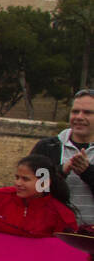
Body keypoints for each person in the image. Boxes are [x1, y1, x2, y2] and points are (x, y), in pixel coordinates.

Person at [0, 154, 77, 237]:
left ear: (44, 183)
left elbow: (65, 252)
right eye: (17, 177)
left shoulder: (60, 214)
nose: (18, 183)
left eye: (25, 179)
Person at [30, 89, 94, 227]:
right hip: (52, 233)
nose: (79, 117)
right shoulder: (47, 147)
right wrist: (61, 171)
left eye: (87, 112)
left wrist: (88, 172)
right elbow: (31, 189)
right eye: (75, 111)